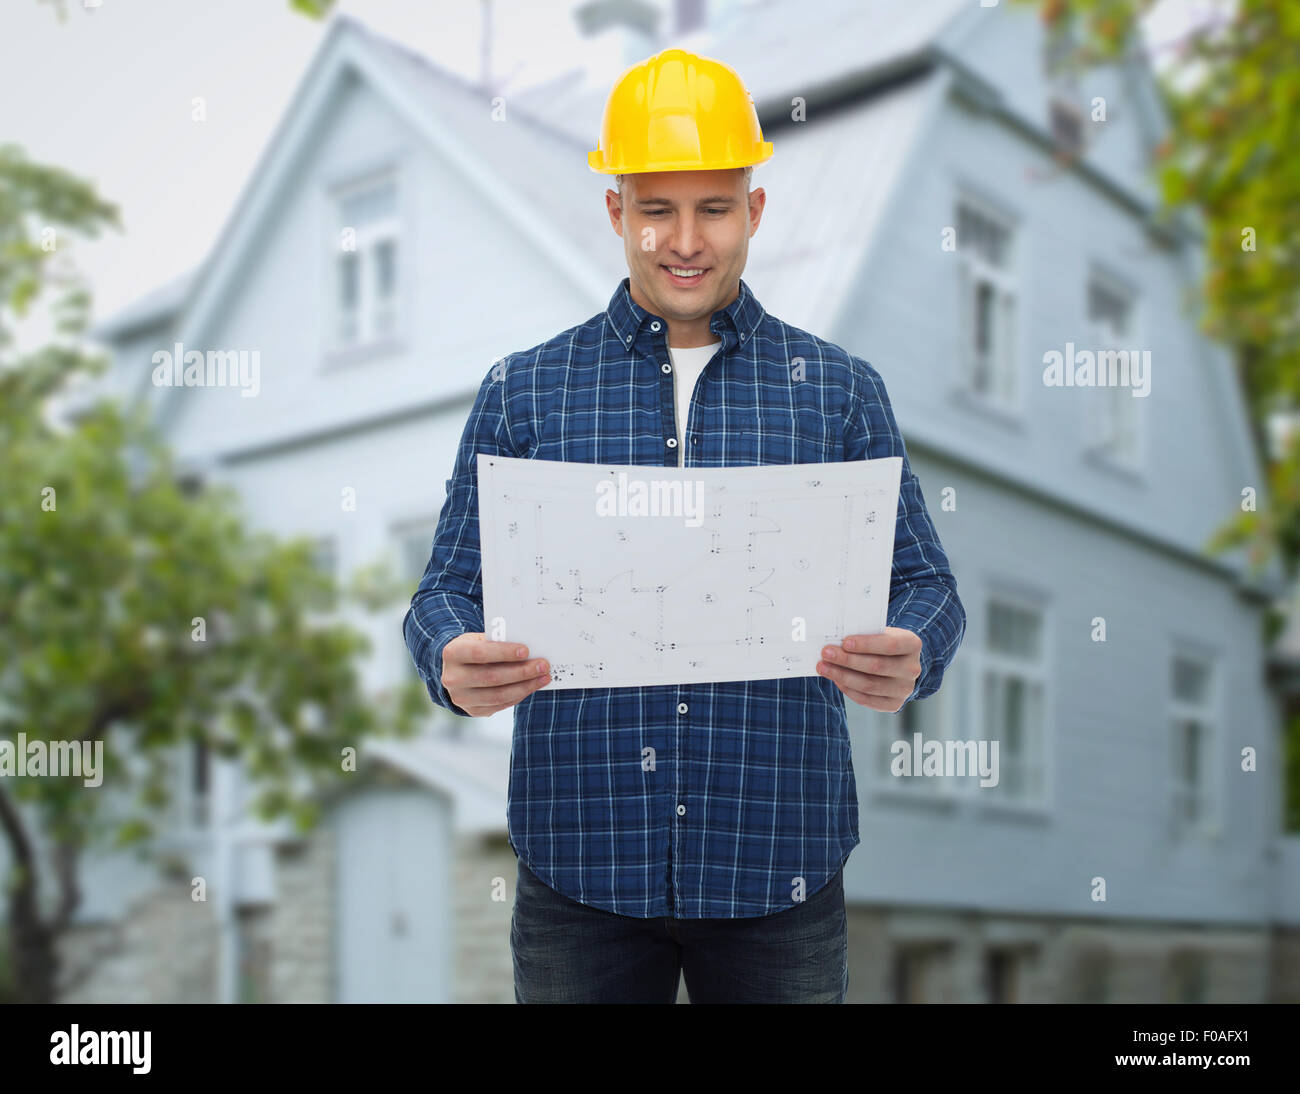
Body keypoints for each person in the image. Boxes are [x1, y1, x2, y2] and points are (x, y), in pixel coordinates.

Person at [404, 48, 966, 1004]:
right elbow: (446, 587)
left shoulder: (836, 391)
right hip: (579, 863)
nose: (686, 241)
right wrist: (448, 655)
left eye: (712, 207)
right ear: (617, 210)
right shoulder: (526, 391)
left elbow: (928, 586)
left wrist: (918, 649)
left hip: (777, 864)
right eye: (657, 209)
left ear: (754, 208)